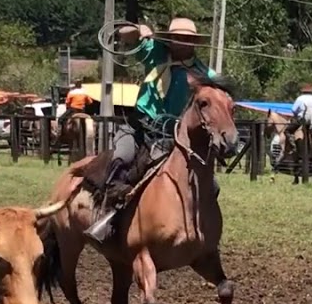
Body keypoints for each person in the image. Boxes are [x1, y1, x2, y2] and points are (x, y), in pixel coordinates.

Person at [85, 17, 219, 244]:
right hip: (141, 126)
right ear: (170, 39)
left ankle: (203, 230)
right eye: (177, 38)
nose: (182, 42)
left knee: (211, 186)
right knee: (121, 159)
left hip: (177, 136)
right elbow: (123, 35)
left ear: (195, 43)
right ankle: (109, 218)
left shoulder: (205, 75)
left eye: (187, 39)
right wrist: (139, 31)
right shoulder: (155, 53)